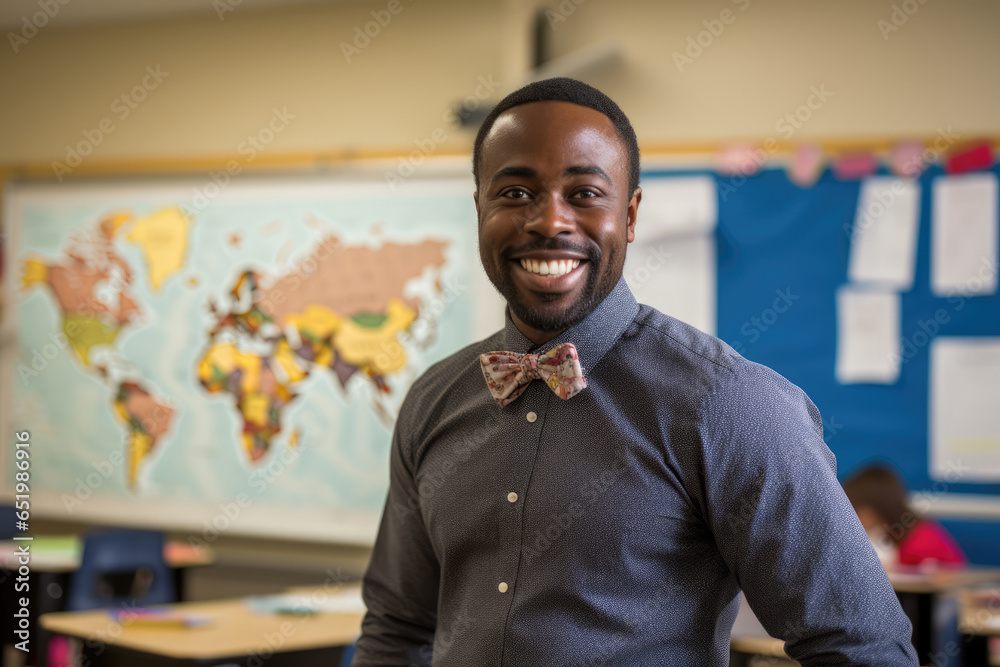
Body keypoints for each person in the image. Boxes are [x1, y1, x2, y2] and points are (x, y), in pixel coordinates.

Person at [352, 77, 917, 666]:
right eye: (515, 193)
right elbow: (396, 629)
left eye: (585, 193)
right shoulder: (432, 400)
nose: (550, 221)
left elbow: (863, 647)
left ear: (629, 213)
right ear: (479, 209)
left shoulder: (731, 404)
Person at [842, 464, 966, 568]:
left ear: (880, 508)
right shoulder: (892, 536)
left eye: (856, 511)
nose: (853, 518)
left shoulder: (920, 542)